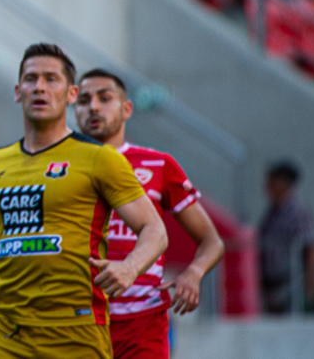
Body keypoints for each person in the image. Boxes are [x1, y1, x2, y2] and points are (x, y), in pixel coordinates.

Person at [0, 43, 168, 358]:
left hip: (77, 334)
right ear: (18, 91)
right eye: (31, 79)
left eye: (51, 79)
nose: (40, 87)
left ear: (72, 94)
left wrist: (129, 268)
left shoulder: (100, 159)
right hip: (7, 335)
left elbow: (154, 229)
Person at [75, 68, 225, 359]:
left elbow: (212, 240)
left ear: (127, 108)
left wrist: (194, 273)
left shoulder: (159, 165)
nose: (93, 106)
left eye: (105, 98)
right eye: (83, 100)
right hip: (77, 320)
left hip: (142, 323)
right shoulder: (59, 168)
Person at [259, 161, 314, 314]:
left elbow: (311, 248)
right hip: (270, 287)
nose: (267, 186)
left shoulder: (297, 212)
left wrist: (310, 285)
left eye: (271, 181)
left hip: (289, 285)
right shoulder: (272, 212)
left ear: (283, 183)